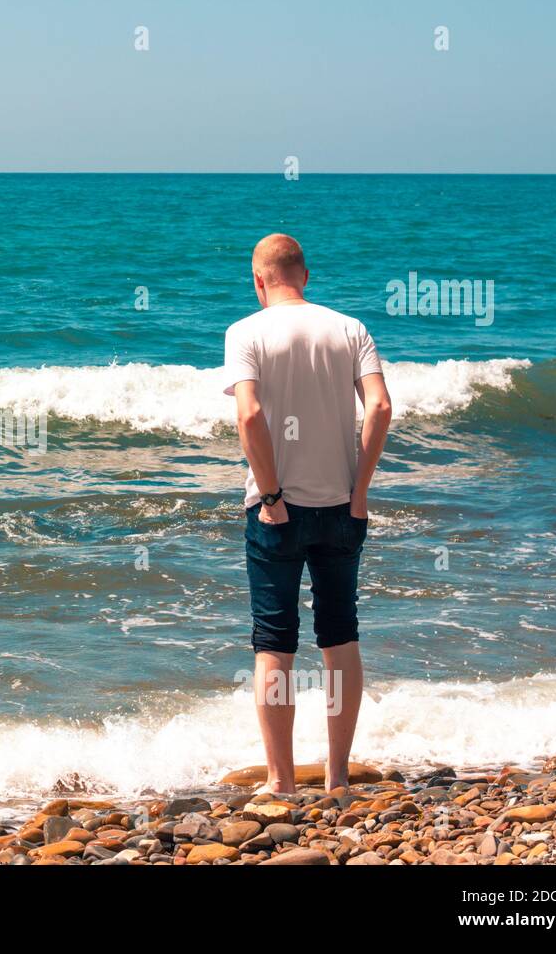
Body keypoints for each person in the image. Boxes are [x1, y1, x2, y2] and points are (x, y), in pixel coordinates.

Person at [222, 233, 393, 793]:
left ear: (258, 280)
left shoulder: (245, 332)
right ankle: (338, 776)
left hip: (277, 512)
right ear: (306, 275)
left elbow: (249, 417)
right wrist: (360, 489)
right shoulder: (349, 328)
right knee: (340, 639)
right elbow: (381, 407)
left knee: (275, 644)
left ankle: (281, 780)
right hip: (342, 506)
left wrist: (271, 497)